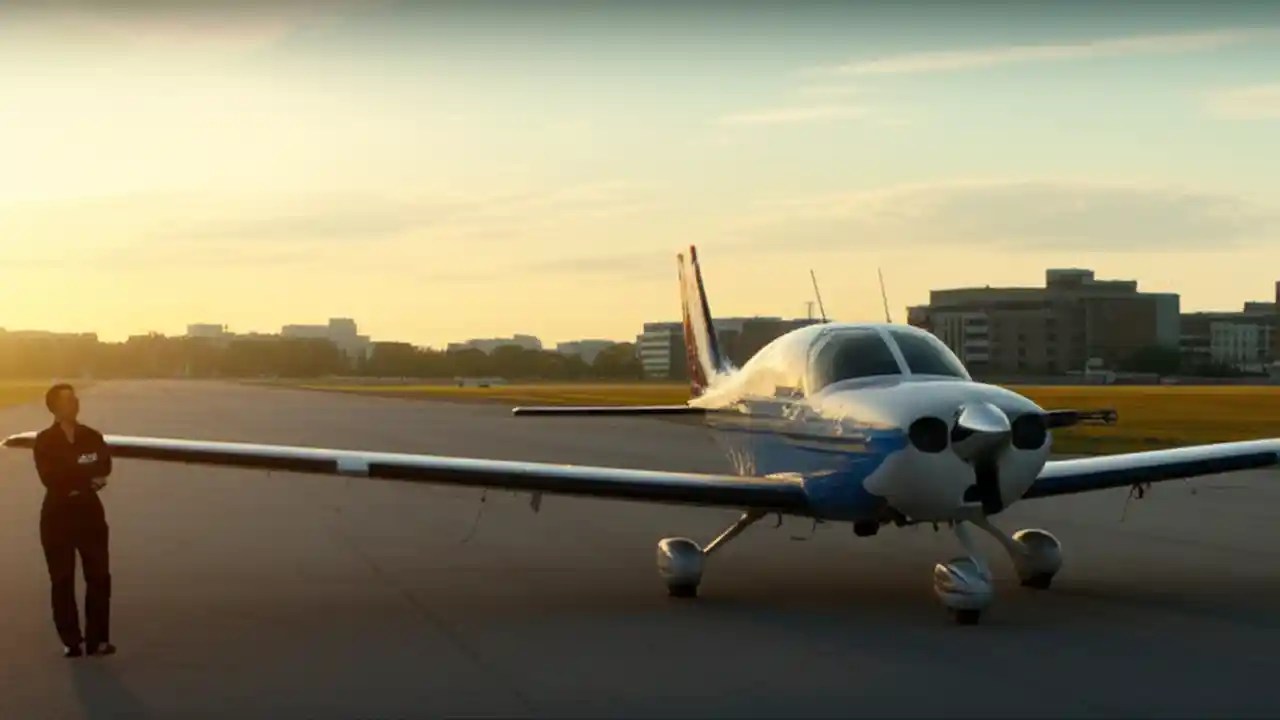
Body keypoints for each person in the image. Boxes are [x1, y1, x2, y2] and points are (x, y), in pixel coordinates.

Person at [33, 384, 115, 658]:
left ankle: (98, 640)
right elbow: (50, 478)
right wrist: (84, 476)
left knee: (99, 576)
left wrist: (75, 474)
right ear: (54, 406)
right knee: (62, 578)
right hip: (57, 515)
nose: (75, 403)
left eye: (75, 398)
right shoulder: (44, 440)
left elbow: (103, 466)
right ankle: (71, 640)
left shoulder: (92, 436)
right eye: (68, 400)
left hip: (89, 513)